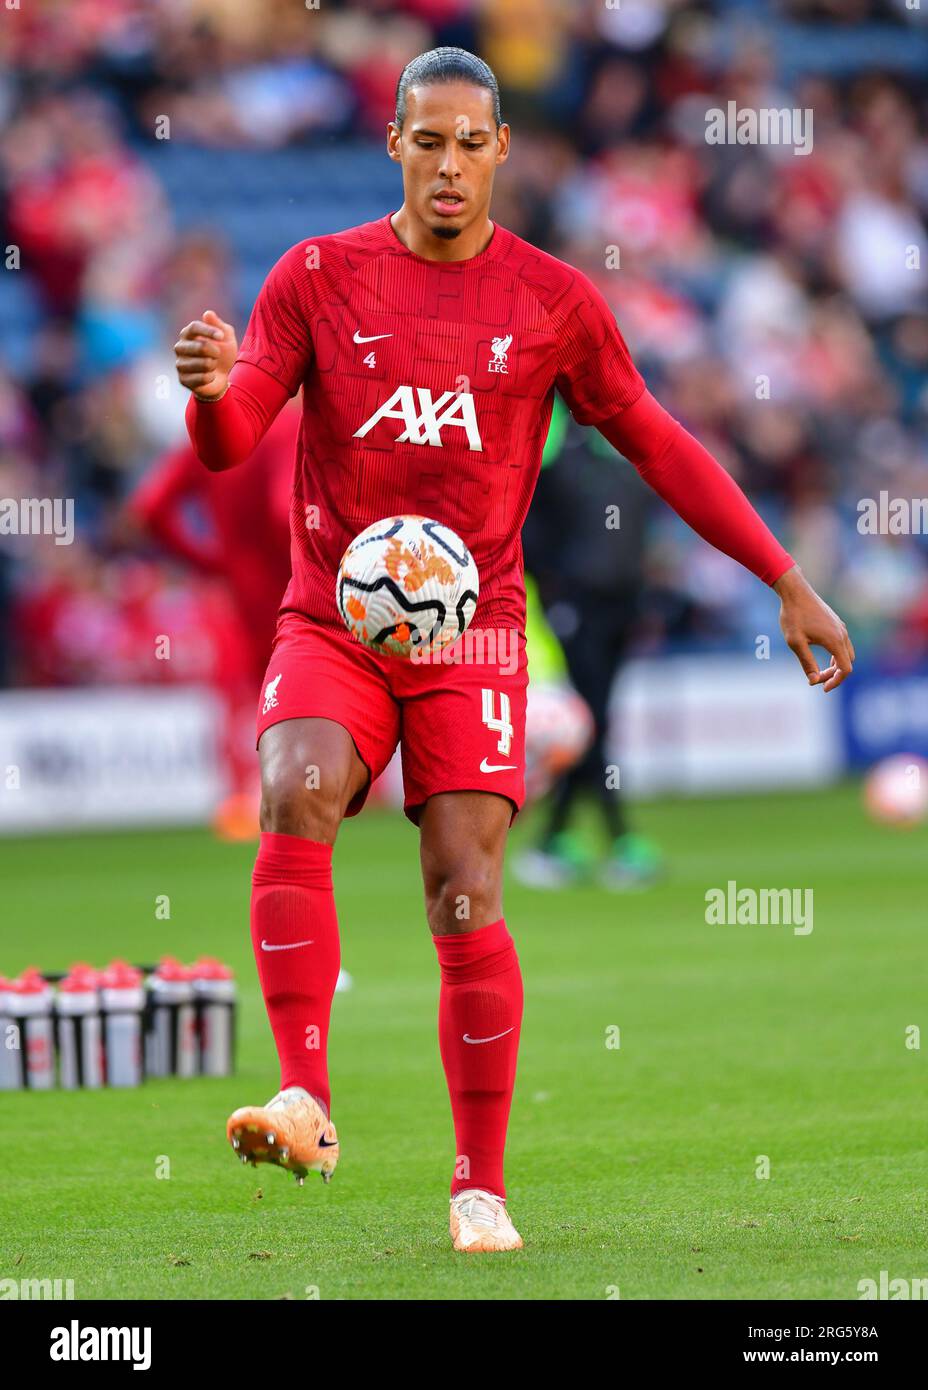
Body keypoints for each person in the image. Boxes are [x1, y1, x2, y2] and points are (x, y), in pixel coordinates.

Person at [174, 47, 854, 1254]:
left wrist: (785, 579)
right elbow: (231, 443)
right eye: (424, 140)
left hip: (475, 631)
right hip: (332, 614)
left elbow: (657, 443)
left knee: (463, 887)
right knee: (295, 787)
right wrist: (213, 394)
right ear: (393, 144)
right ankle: (303, 1097)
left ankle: (476, 1186)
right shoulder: (319, 275)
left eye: (467, 143)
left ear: (500, 153)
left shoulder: (552, 301)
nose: (446, 164)